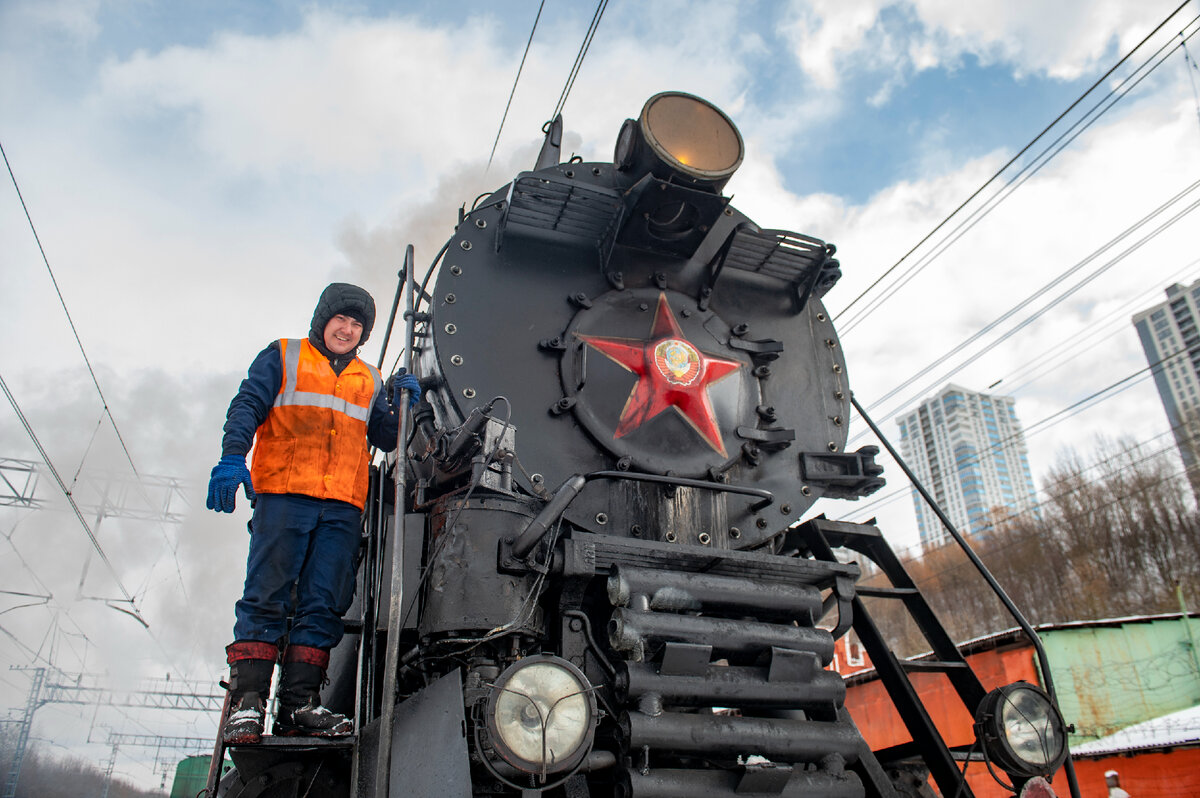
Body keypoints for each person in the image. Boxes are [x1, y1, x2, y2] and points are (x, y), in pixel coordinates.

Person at [206, 282, 420, 745]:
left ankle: (298, 706)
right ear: (323, 319)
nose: (347, 329)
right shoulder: (283, 356)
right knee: (267, 595)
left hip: (342, 505)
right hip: (285, 495)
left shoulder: (370, 378)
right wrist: (232, 456)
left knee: (324, 603)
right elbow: (247, 405)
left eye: (357, 324)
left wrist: (404, 406)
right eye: (341, 319)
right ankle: (248, 704)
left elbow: (384, 437)